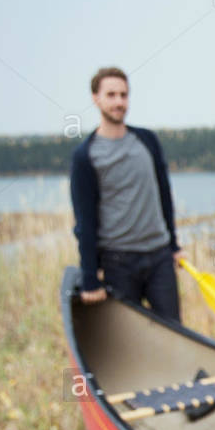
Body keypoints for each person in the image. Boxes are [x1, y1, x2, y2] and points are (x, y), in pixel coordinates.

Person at [70, 66, 184, 321]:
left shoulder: (147, 141)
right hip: (118, 263)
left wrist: (174, 245)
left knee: (175, 335)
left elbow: (164, 196)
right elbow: (84, 220)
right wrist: (90, 277)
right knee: (128, 345)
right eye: (111, 95)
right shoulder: (86, 156)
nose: (119, 102)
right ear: (95, 98)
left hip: (159, 259)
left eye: (124, 95)